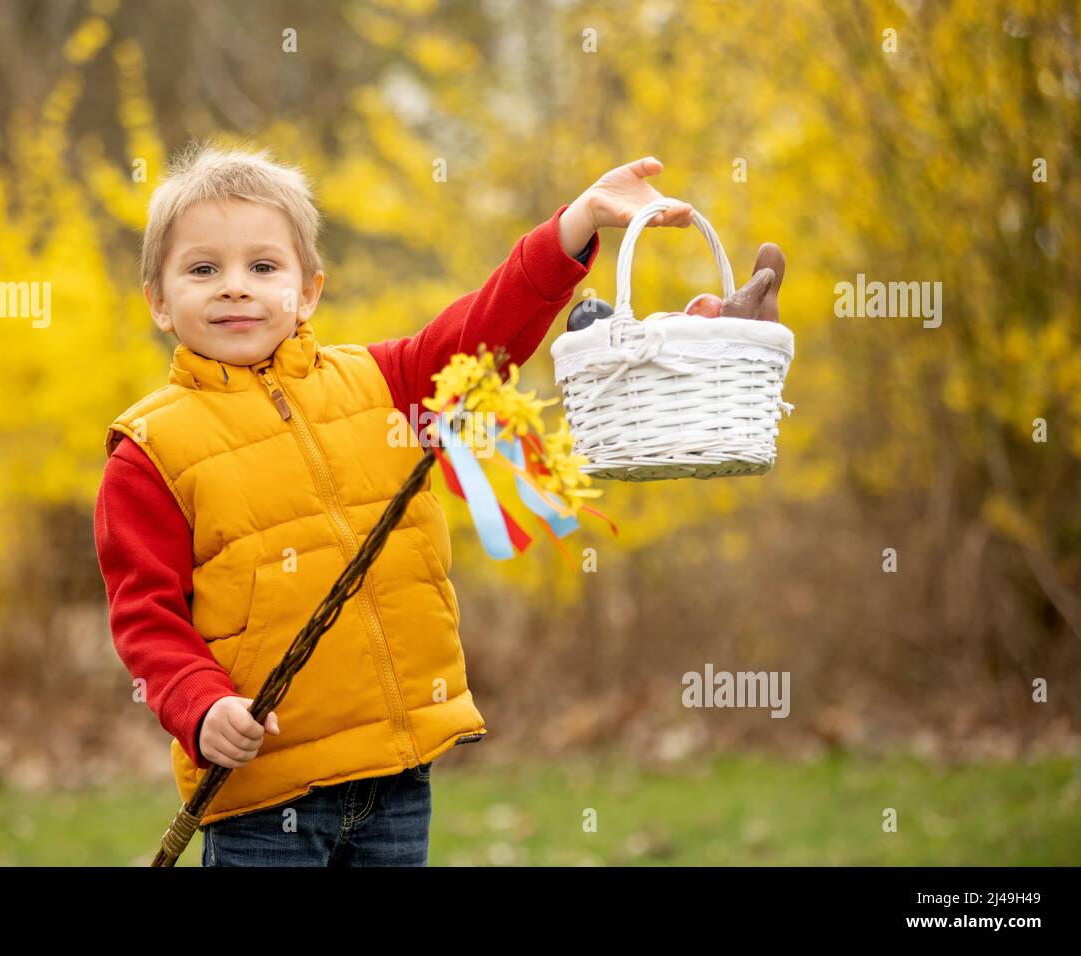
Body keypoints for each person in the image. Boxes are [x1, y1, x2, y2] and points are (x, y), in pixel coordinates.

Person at [93, 142, 692, 866]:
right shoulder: (150, 451)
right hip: (266, 791)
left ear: (307, 290)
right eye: (202, 270)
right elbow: (145, 617)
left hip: (397, 773)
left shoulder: (385, 383)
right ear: (159, 301)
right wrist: (200, 705)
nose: (234, 288)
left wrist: (575, 224)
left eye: (262, 266)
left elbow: (484, 332)